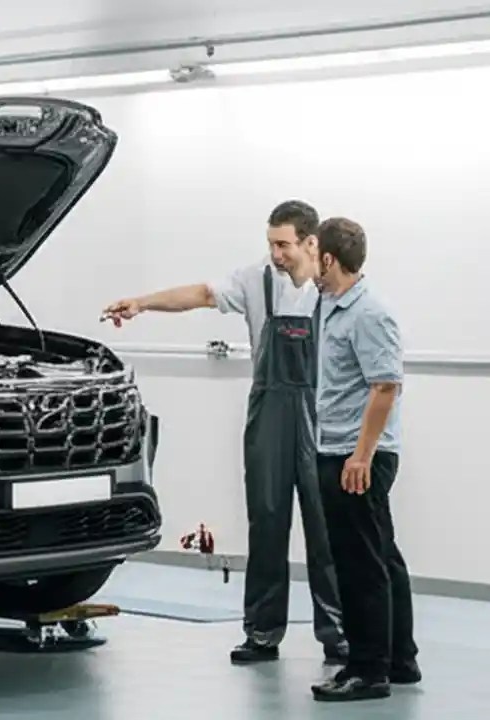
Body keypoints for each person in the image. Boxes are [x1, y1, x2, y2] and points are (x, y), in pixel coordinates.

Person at [100, 200, 347, 665]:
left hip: (322, 413)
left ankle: (339, 635)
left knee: (326, 526)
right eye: (271, 243)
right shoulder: (256, 280)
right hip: (270, 412)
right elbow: (200, 294)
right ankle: (262, 632)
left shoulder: (331, 287)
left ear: (311, 243)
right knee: (267, 521)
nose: (276, 254)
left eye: (284, 245)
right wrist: (142, 303)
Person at [305, 217, 420, 702]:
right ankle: (399, 658)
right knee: (381, 553)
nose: (310, 265)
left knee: (357, 563)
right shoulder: (330, 305)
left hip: (355, 456)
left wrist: (361, 456)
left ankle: (367, 669)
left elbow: (385, 386)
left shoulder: (368, 311)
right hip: (341, 448)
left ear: (329, 259)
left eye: (314, 255)